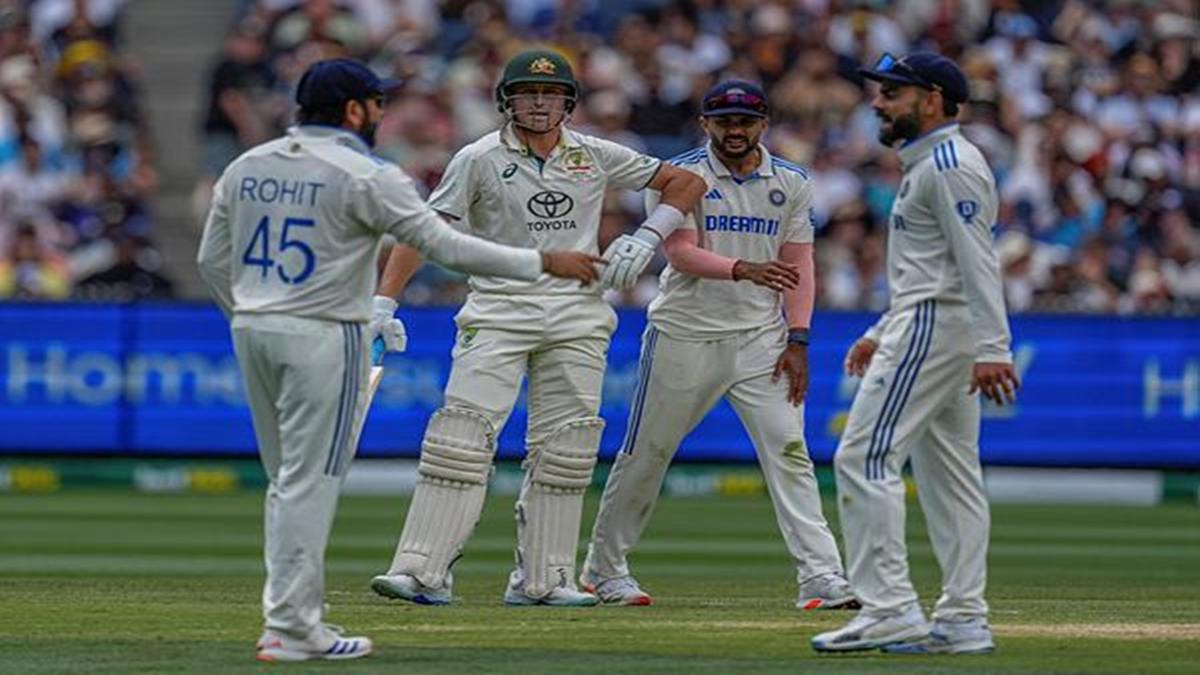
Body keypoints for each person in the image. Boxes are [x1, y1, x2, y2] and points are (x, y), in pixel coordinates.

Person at [196, 58, 601, 662]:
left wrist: (250, 315)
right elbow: (441, 243)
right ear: (356, 110)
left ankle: (290, 621)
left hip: (253, 329)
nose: (381, 117)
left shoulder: (246, 165)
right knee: (311, 484)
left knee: (286, 482)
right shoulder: (368, 172)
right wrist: (542, 262)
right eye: (376, 106)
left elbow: (210, 260)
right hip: (325, 334)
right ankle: (293, 628)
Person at [369, 48, 706, 607]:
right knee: (461, 437)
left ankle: (545, 581)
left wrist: (647, 237)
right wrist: (385, 301)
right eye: (528, 93)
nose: (540, 103)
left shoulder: (595, 154)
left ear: (568, 101)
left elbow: (686, 183)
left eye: (551, 94)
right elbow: (424, 231)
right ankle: (421, 571)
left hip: (578, 312)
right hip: (499, 309)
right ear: (507, 101)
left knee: (566, 450)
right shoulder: (477, 157)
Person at [580, 81, 858, 609]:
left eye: (746, 121)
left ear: (764, 125)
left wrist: (798, 338)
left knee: (791, 452)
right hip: (685, 332)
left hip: (761, 339)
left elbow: (800, 264)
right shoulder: (681, 176)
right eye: (724, 121)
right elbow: (680, 253)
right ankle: (603, 571)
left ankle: (822, 577)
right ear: (705, 124)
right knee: (647, 454)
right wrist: (744, 269)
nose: (735, 130)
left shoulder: (792, 180)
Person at [811, 52, 1020, 655]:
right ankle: (962, 619)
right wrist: (882, 325)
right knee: (950, 479)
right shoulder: (932, 163)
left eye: (893, 93)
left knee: (863, 457)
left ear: (932, 99)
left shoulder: (949, 164)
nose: (877, 103)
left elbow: (976, 260)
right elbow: (934, 264)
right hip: (932, 321)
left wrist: (993, 345)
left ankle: (888, 611)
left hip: (938, 326)